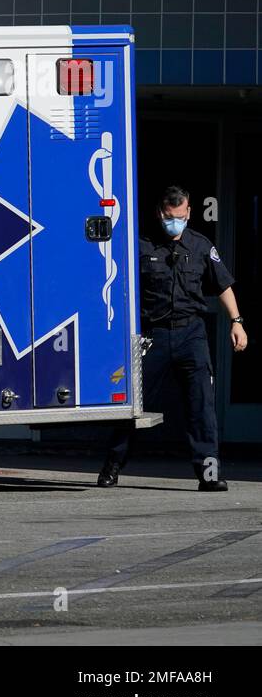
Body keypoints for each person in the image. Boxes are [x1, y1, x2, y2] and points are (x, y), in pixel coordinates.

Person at [98, 186, 247, 490]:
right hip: (153, 336)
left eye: (180, 217)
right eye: (169, 217)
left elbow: (223, 286)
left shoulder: (201, 246)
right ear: (159, 213)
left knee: (201, 405)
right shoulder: (141, 246)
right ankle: (112, 465)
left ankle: (209, 473)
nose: (174, 223)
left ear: (189, 212)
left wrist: (237, 321)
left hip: (191, 334)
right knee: (132, 405)